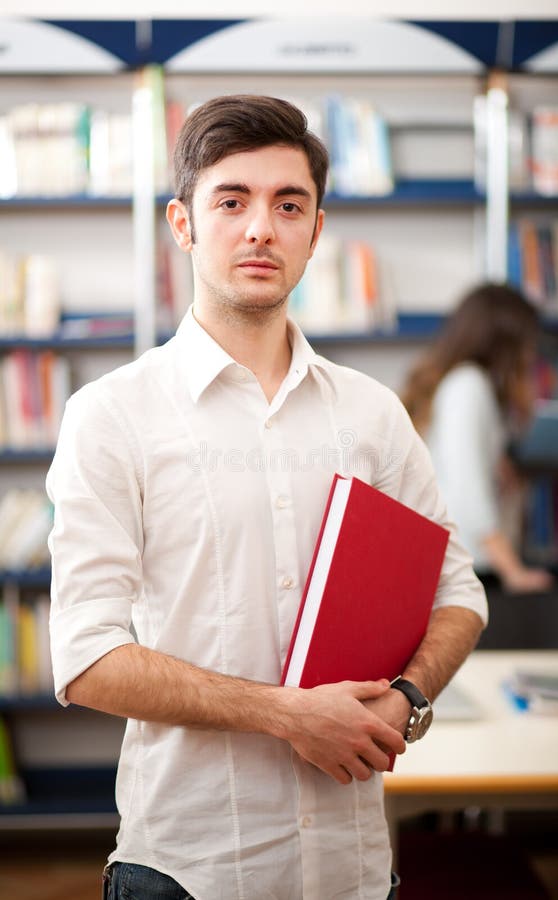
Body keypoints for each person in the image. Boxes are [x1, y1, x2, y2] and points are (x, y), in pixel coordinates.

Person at [47, 95, 488, 900]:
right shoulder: (111, 415)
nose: (261, 228)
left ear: (316, 232)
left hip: (353, 869)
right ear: (181, 225)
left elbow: (456, 592)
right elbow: (85, 658)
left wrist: (407, 700)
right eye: (231, 201)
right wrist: (287, 714)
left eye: (289, 205)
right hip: (187, 870)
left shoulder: (370, 411)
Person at [402, 282, 555, 594]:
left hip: (461, 567)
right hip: (465, 572)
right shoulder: (468, 386)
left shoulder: (469, 385)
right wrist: (514, 571)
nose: (530, 352)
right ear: (505, 341)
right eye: (527, 341)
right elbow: (468, 491)